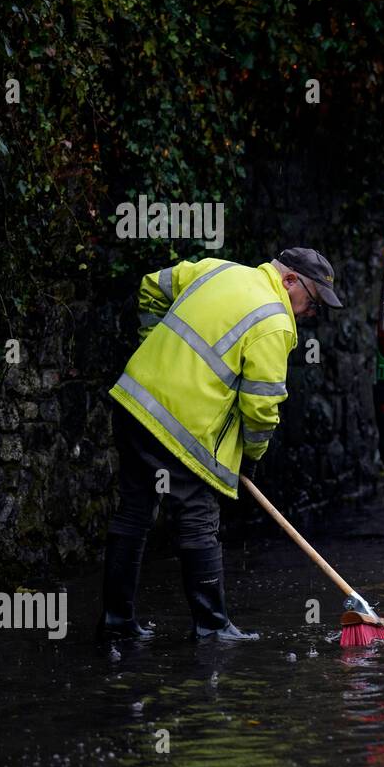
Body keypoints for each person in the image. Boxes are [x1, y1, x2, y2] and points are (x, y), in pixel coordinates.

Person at [97, 248, 343, 641]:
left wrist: (150, 343)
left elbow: (150, 287)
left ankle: (116, 622)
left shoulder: (217, 269)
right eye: (312, 302)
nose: (310, 313)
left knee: (134, 514)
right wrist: (252, 455)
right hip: (179, 428)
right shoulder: (275, 323)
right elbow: (261, 407)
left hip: (133, 402)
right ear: (289, 280)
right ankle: (212, 629)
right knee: (198, 520)